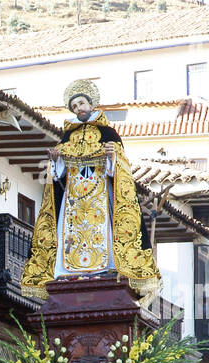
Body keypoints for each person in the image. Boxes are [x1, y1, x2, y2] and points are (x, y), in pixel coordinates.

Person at [20, 78, 160, 301]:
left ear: (91, 104)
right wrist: (55, 161)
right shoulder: (67, 137)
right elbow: (59, 175)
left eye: (82, 104)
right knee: (71, 233)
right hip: (74, 197)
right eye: (74, 106)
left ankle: (108, 268)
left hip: (100, 194)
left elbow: (121, 171)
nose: (79, 109)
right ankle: (67, 273)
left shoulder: (109, 134)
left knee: (104, 230)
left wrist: (112, 157)